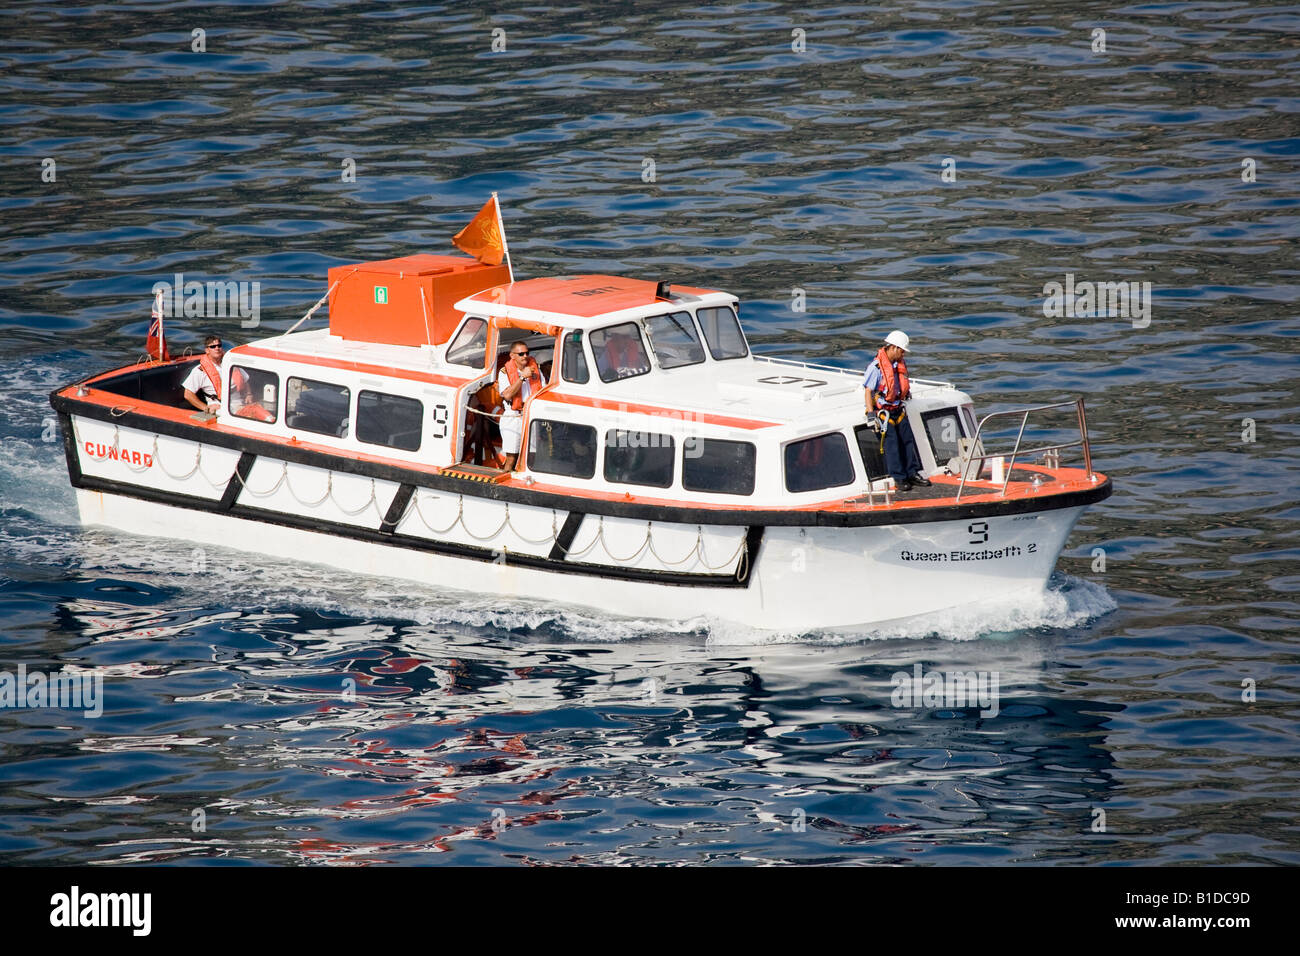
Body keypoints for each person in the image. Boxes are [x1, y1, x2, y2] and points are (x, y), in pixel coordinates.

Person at [863, 330, 930, 491]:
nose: (903, 354)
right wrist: (871, 414)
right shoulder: (876, 367)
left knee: (907, 441)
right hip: (883, 412)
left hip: (898, 408)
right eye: (901, 350)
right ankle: (899, 478)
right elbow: (868, 391)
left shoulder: (897, 364)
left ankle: (912, 473)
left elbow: (898, 384)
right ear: (893, 347)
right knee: (891, 444)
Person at [182, 335, 270, 420]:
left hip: (240, 403)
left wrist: (249, 394)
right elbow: (188, 394)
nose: (217, 348)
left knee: (260, 411)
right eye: (213, 346)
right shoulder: (199, 371)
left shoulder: (231, 364)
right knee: (252, 415)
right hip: (220, 408)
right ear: (207, 350)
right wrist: (206, 408)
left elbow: (245, 381)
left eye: (219, 345)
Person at [497, 341, 546, 471]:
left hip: (530, 416)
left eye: (527, 353)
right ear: (512, 356)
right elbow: (507, 395)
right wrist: (522, 378)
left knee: (531, 456)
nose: (525, 356)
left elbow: (544, 390)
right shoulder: (504, 372)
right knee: (511, 457)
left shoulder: (536, 370)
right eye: (521, 354)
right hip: (513, 417)